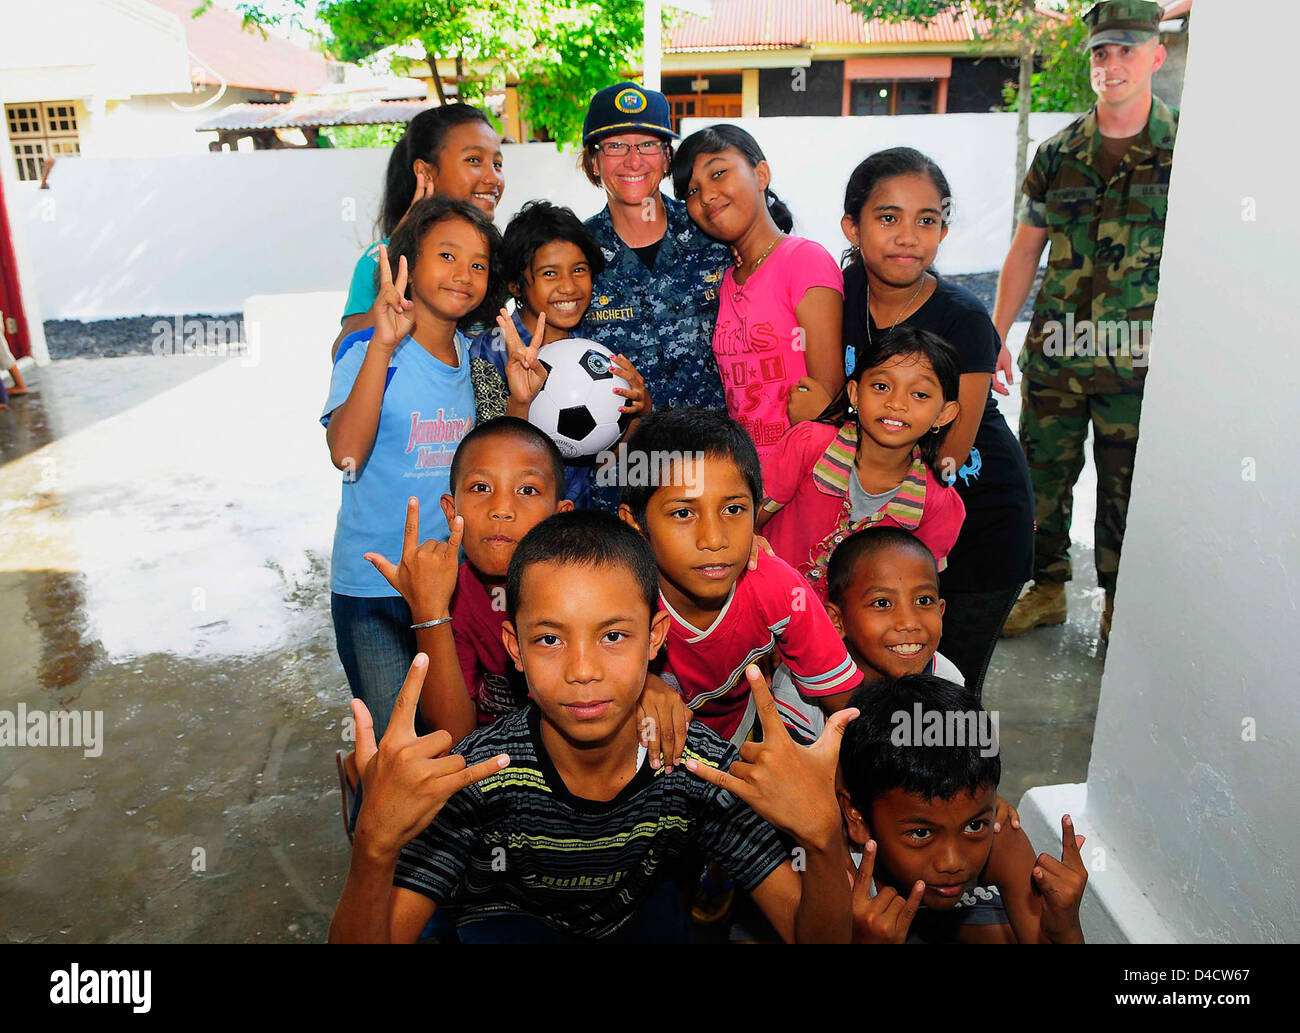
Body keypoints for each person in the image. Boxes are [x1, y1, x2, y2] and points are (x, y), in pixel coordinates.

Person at [328, 510, 857, 943]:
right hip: (508, 917)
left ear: (655, 638)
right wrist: (373, 848)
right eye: (551, 640)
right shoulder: (475, 781)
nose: (583, 670)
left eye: (613, 636)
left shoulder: (698, 767)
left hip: (635, 914)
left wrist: (824, 839)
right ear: (515, 648)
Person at [992, 0, 1177, 644]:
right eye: (1102, 51)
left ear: (1155, 55)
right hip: (1058, 354)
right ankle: (1045, 589)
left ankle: (1120, 602)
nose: (1113, 63)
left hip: (1142, 359)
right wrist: (996, 336)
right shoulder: (1057, 152)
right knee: (1039, 477)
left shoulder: (1187, 151)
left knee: (1129, 489)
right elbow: (1025, 249)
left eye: (1127, 49)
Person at [838, 148, 1034, 694]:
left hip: (977, 529)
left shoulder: (963, 317)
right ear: (852, 226)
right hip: (888, 524)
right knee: (875, 690)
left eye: (927, 220)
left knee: (946, 696)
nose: (908, 235)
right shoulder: (841, 293)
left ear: (943, 232)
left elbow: (948, 450)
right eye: (887, 217)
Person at [322, 197, 502, 739]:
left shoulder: (480, 360)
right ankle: (366, 802)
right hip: (374, 587)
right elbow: (345, 453)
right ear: (408, 263)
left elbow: (495, 460)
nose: (463, 274)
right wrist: (381, 344)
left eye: (478, 263)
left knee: (452, 740)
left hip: (455, 584)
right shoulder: (367, 351)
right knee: (390, 745)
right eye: (446, 255)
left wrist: (517, 400)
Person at [618, 407, 863, 750]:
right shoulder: (613, 592)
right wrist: (636, 686)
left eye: (733, 509)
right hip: (638, 745)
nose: (715, 539)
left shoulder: (776, 586)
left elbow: (848, 708)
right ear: (635, 524)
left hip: (741, 740)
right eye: (684, 513)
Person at [838, 674, 1089, 943]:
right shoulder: (832, 868)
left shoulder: (999, 837)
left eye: (974, 825)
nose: (952, 862)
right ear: (858, 819)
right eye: (921, 833)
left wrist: (1064, 930)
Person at [576, 83, 732, 509]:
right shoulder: (576, 252)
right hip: (624, 482)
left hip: (714, 469)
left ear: (667, 157)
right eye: (615, 146)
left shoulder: (714, 233)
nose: (632, 160)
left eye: (647, 143)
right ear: (593, 160)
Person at [670, 125, 845, 458]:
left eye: (719, 173)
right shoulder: (724, 281)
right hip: (747, 482)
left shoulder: (805, 261)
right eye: (692, 191)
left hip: (807, 477)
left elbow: (830, 402)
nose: (706, 196)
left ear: (761, 173)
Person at [758, 326, 965, 604]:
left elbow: (913, 592)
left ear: (944, 414)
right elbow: (747, 522)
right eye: (881, 386)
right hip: (766, 606)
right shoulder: (809, 446)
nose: (896, 403)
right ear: (855, 394)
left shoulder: (938, 506)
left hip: (847, 638)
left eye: (920, 395)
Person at [469, 200, 652, 505]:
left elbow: (604, 461)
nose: (569, 287)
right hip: (514, 523)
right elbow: (487, 458)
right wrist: (520, 402)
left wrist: (639, 413)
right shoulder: (490, 350)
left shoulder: (596, 350)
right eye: (550, 274)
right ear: (516, 284)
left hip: (579, 523)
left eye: (579, 270)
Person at [331, 105, 505, 361]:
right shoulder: (382, 258)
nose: (493, 178)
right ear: (425, 172)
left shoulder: (497, 252)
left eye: (498, 163)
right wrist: (402, 250)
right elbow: (343, 353)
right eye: (474, 160)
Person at [770, 527, 963, 745]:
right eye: (882, 603)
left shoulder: (947, 680)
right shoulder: (799, 693)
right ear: (837, 620)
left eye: (924, 601)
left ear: (941, 610)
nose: (909, 623)